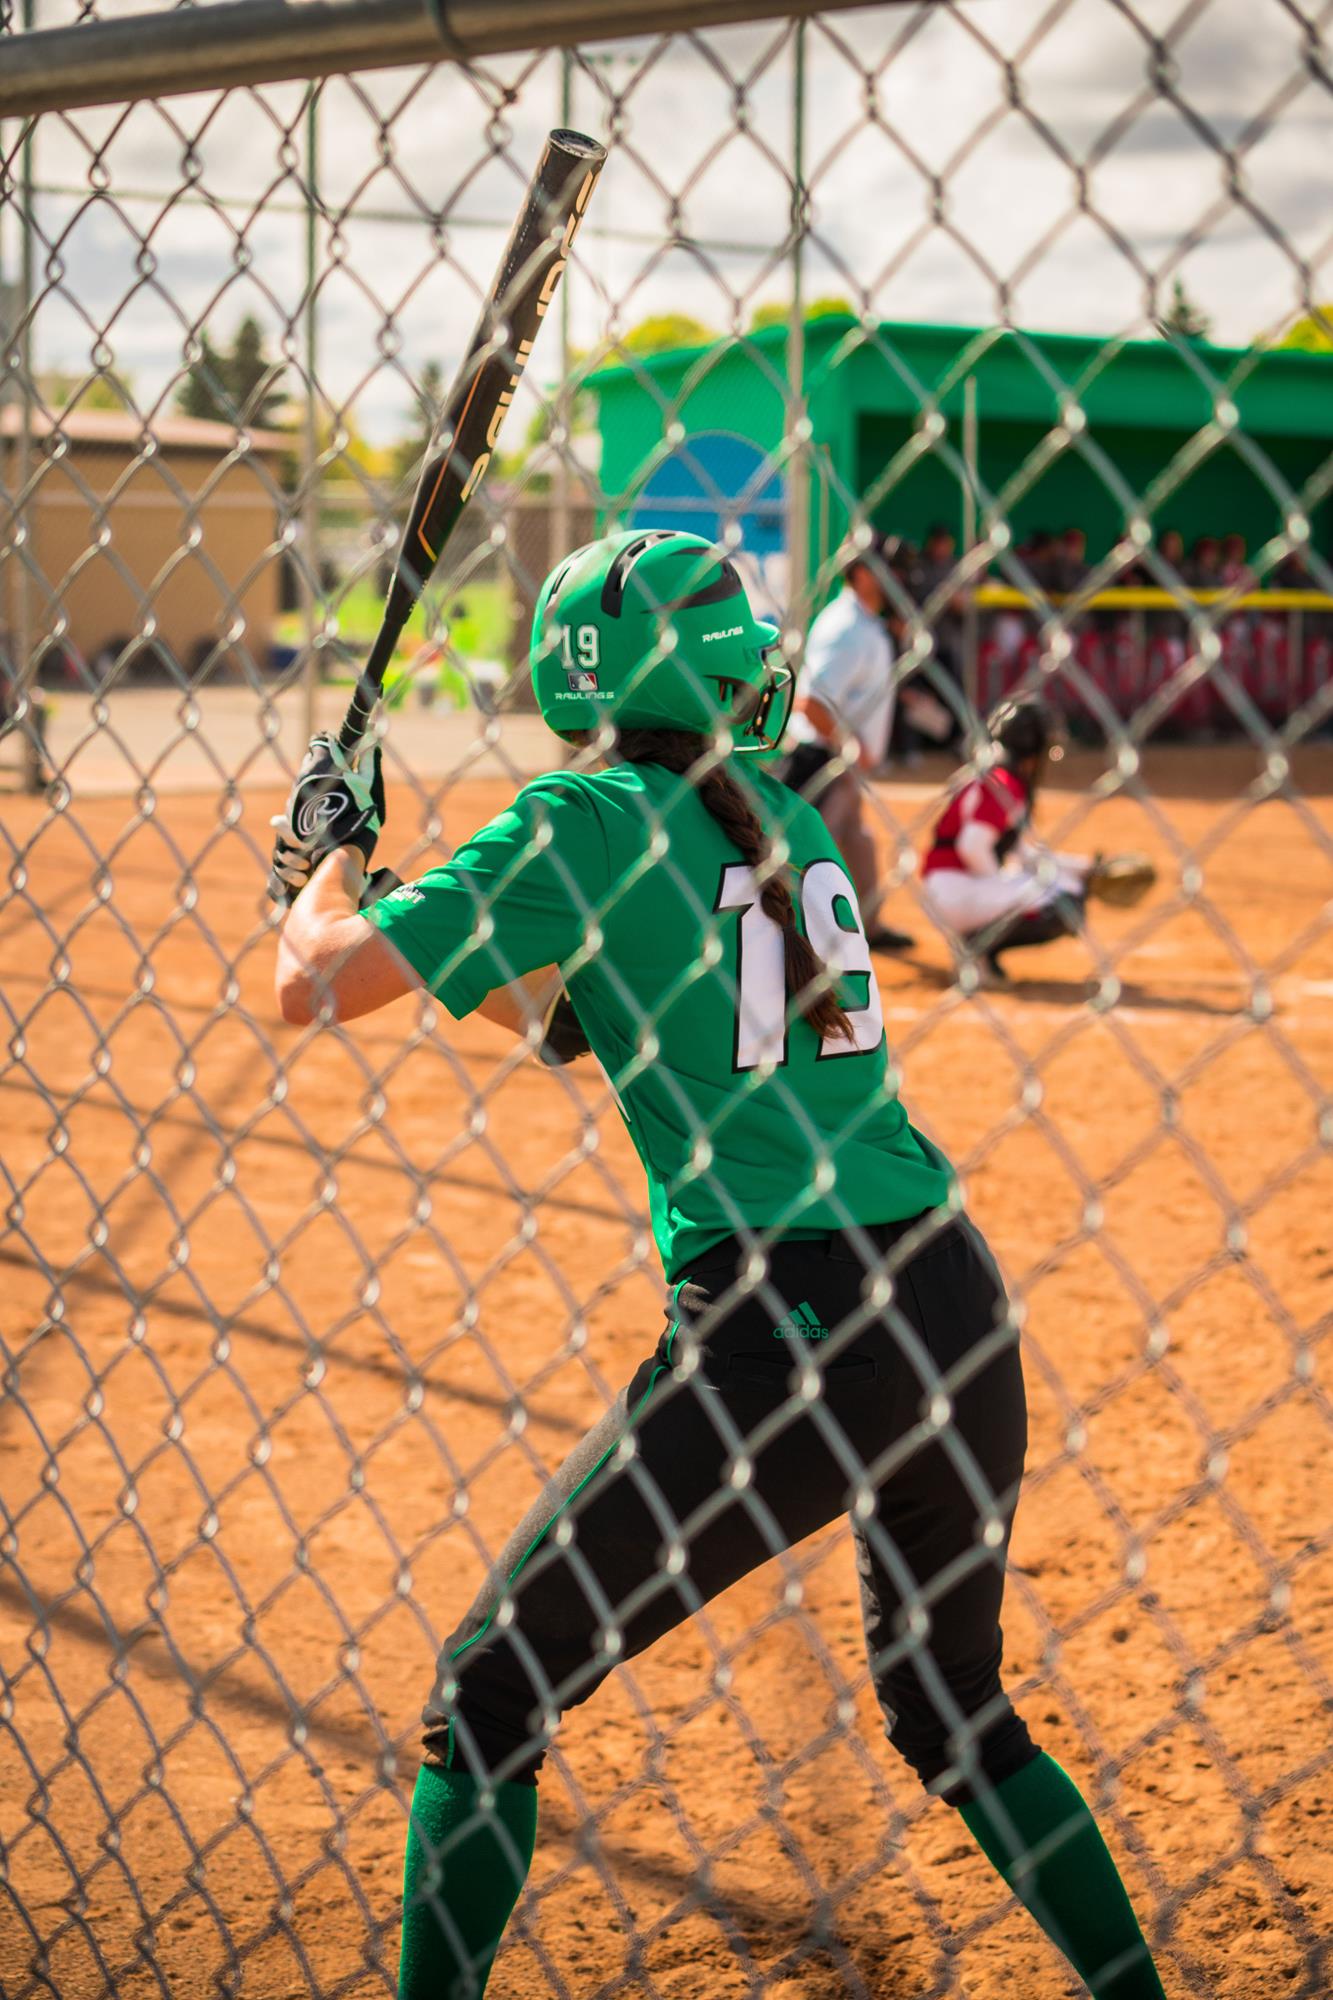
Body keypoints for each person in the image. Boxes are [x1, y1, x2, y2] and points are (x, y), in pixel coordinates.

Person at [270, 529, 1167, 2000]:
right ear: (723, 668)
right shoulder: (781, 821)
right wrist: (394, 901)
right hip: (949, 1296)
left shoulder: (584, 811)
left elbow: (309, 983)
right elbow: (572, 1017)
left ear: (579, 682)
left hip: (783, 1328)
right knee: (955, 1712)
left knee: (490, 1695)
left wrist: (335, 861)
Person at [774, 531, 915, 950]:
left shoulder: (866, 623)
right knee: (808, 849)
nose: (900, 578)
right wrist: (848, 747)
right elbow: (810, 702)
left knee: (857, 841)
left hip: (841, 758)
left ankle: (870, 924)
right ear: (861, 574)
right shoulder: (847, 626)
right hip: (822, 758)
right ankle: (794, 935)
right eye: (889, 569)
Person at [921, 697, 1092, 985]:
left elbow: (1021, 853)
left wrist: (1082, 867)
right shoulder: (1005, 781)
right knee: (1066, 901)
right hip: (957, 888)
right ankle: (976, 951)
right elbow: (971, 846)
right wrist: (998, 884)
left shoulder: (996, 772)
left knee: (1066, 883)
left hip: (950, 886)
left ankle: (977, 948)